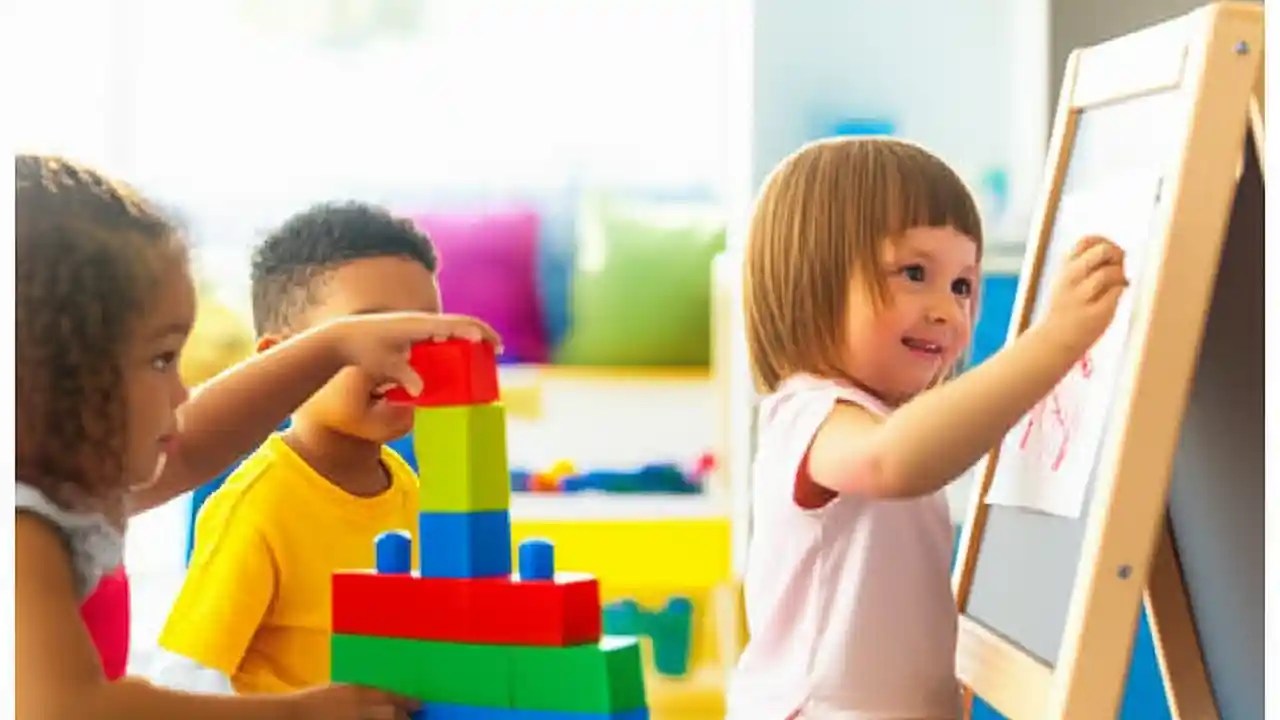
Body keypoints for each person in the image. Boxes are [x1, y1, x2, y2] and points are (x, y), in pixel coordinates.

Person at [15, 154, 495, 718]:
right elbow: (67, 709)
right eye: (163, 359)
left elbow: (193, 445)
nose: (184, 393)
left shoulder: (68, 502)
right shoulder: (24, 531)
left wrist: (335, 345)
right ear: (59, 374)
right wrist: (302, 713)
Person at [726, 137, 1128, 719]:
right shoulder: (810, 415)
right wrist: (1053, 341)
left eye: (962, 284)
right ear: (811, 277)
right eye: (914, 273)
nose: (947, 309)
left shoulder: (879, 421)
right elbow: (895, 462)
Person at [154, 201, 459, 694]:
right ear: (285, 363)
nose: (407, 356)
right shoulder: (258, 505)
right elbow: (184, 680)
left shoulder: (407, 487)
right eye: (372, 334)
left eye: (422, 332)